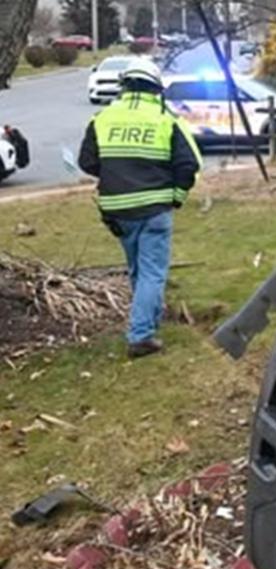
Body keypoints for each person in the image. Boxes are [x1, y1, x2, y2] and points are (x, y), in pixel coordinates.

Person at [79, 58, 202, 359]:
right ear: (156, 88)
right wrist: (176, 196)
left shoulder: (102, 119)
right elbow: (189, 165)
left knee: (137, 268)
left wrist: (117, 175)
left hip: (116, 210)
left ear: (124, 86)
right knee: (152, 272)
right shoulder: (166, 119)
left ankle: (147, 317)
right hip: (154, 209)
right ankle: (141, 335)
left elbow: (88, 162)